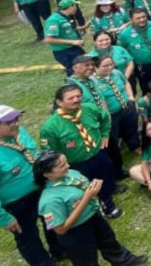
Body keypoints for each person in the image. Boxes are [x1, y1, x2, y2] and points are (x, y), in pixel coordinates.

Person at [0, 105, 62, 266]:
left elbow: (34, 155)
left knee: (51, 222)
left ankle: (59, 250)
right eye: (9, 122)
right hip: (17, 205)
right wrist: (3, 218)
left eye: (16, 119)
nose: (16, 123)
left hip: (40, 191)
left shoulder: (18, 134)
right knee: (28, 237)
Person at [33, 151, 146, 266]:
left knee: (109, 242)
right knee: (86, 260)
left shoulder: (70, 174)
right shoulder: (49, 200)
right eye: (62, 165)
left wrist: (92, 187)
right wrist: (86, 198)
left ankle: (126, 261)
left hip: (93, 216)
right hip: (76, 233)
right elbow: (60, 229)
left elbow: (83, 188)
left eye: (66, 162)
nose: (68, 166)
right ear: (47, 174)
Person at [39, 85, 122, 219]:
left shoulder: (89, 108)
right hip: (76, 164)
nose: (76, 100)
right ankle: (92, 208)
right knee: (83, 187)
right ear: (59, 102)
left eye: (78, 96)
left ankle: (108, 204)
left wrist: (105, 134)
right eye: (70, 98)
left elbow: (105, 116)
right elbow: (50, 152)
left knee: (105, 177)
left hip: (97, 154)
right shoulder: (50, 127)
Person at [117, 9, 151, 92]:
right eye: (137, 18)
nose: (142, 20)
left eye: (143, 16)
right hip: (143, 66)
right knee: (148, 88)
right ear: (131, 20)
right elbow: (120, 51)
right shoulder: (125, 34)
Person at [46, 0, 87, 76]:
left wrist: (86, 26)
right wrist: (73, 42)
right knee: (74, 71)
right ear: (70, 6)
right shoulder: (54, 20)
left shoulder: (67, 17)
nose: (76, 8)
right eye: (75, 5)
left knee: (86, 64)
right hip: (64, 51)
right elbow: (49, 39)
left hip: (74, 48)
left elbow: (72, 28)